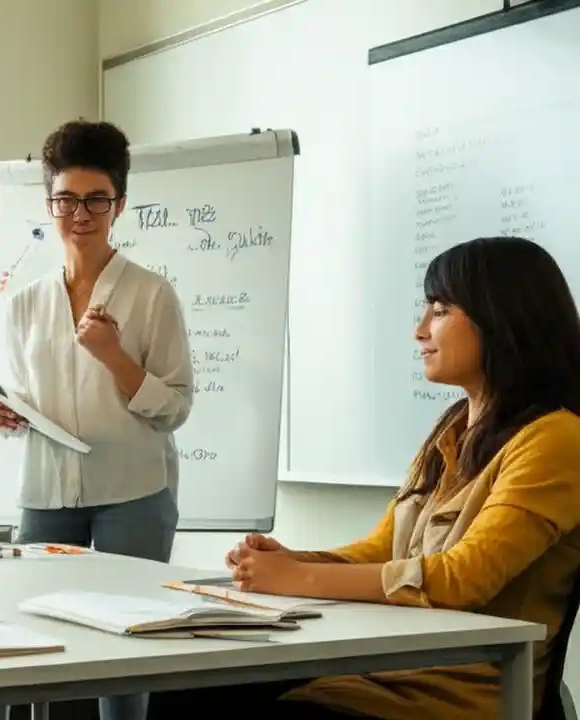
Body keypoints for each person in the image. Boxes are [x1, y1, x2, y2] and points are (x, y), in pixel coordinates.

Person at [153, 236, 580, 719]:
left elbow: (465, 578)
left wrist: (299, 577)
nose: (420, 330)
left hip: (454, 692)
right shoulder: (455, 428)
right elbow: (384, 549)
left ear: (502, 319)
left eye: (440, 311)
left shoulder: (555, 440)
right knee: (183, 690)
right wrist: (292, 561)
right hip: (387, 668)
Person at [0, 120, 193, 720]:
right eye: (66, 199)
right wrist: (6, 413)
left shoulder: (153, 296)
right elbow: (28, 403)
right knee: (26, 641)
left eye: (96, 199)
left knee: (125, 655)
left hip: (134, 493)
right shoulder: (23, 303)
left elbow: (174, 406)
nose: (80, 213)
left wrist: (115, 358)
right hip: (47, 490)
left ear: (118, 204)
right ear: (49, 203)